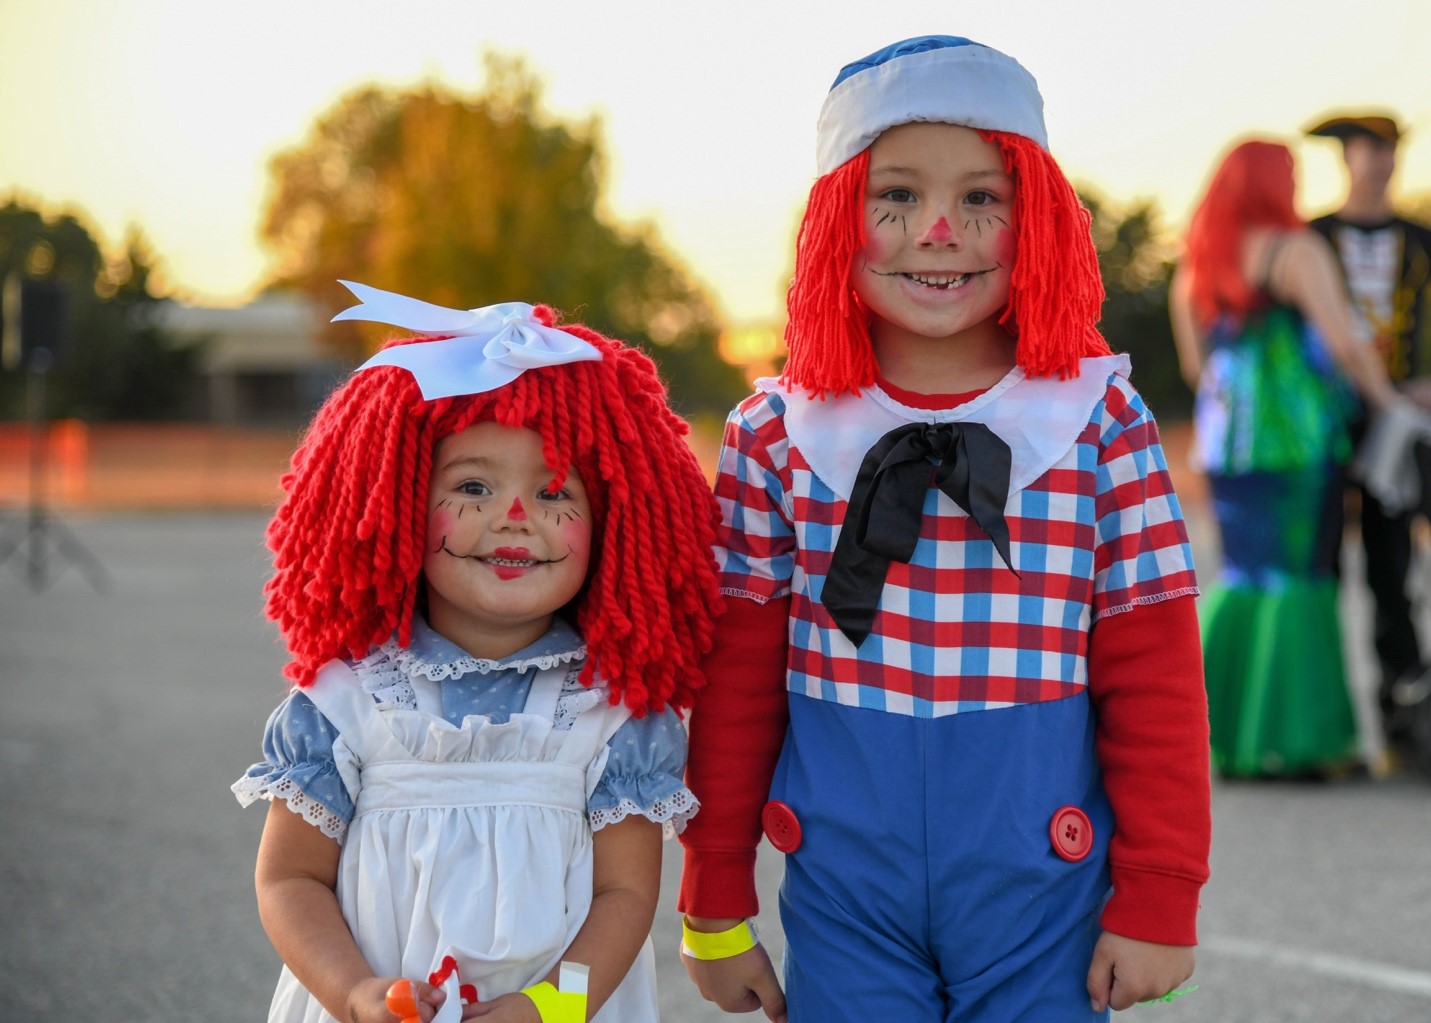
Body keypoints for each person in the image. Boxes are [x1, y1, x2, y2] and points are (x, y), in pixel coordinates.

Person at [677, 36, 1211, 1022]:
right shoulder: (775, 434)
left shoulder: (1099, 421)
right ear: (841, 218)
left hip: (1044, 896)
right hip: (845, 898)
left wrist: (1162, 898)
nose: (938, 230)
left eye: (981, 197)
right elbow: (738, 677)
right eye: (894, 197)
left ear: (1035, 217)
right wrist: (716, 897)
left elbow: (1156, 669)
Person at [232, 282, 722, 1023]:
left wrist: (545, 1010)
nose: (515, 518)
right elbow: (288, 879)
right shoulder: (346, 700)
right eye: (472, 486)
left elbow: (624, 899)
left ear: (614, 524)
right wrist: (354, 993)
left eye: (556, 492)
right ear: (397, 503)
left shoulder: (611, 713)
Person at [1169, 139, 1404, 779]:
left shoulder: (1196, 264)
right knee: (1299, 580)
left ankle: (1225, 740)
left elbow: (1198, 368)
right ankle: (1304, 744)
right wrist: (1388, 401)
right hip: (1294, 440)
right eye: (1291, 173)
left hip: (1226, 445)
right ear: (1271, 183)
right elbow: (1344, 339)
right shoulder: (1294, 249)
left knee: (1244, 577)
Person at [1305, 112, 1431, 765]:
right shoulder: (1310, 237)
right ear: (1346, 158)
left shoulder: (1419, 238)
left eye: (1388, 151)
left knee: (1391, 572)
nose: (1379, 162)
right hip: (1321, 426)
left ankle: (1401, 725)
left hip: (1394, 422)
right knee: (1318, 570)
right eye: (1367, 150)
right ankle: (1326, 728)